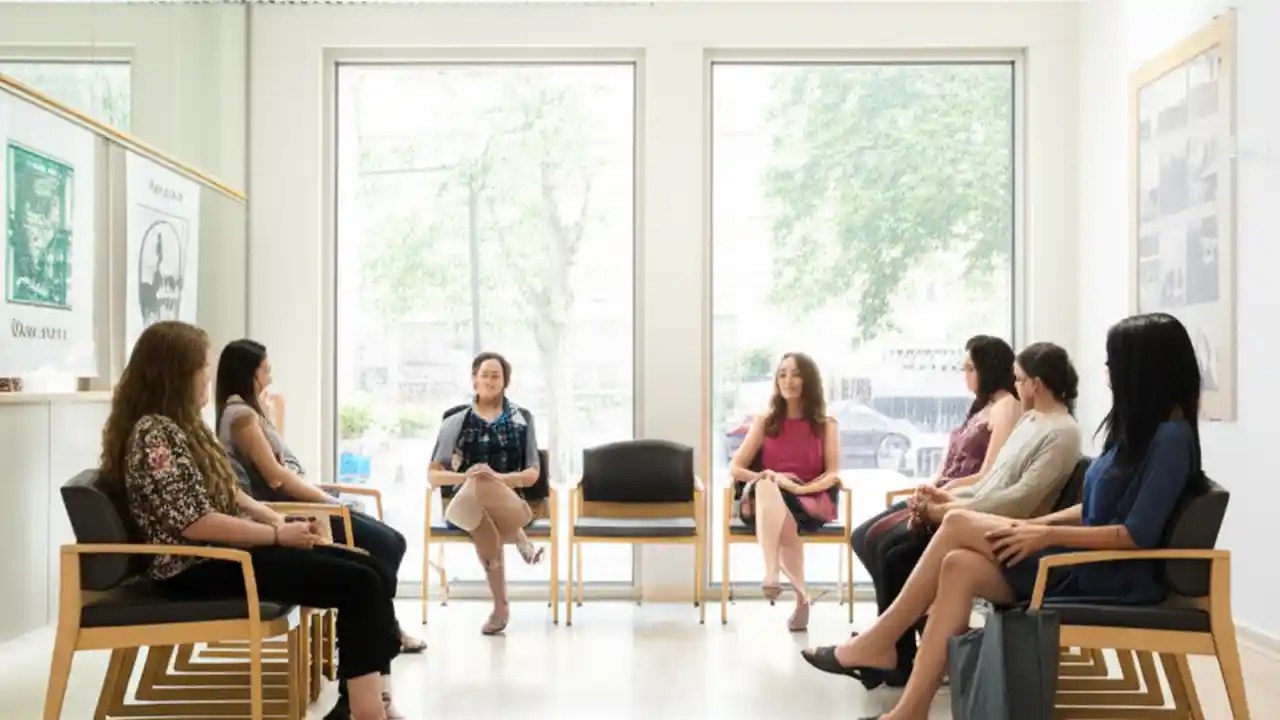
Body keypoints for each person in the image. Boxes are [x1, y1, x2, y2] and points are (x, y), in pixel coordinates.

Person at [801, 313, 1204, 720]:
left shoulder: (1171, 440)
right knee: (958, 564)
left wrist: (1043, 537)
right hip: (1078, 560)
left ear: (1144, 369)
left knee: (956, 524)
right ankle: (908, 711)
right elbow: (1095, 508)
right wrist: (1034, 527)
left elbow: (1135, 534)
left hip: (1105, 575)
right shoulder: (1138, 433)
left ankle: (880, 641)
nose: (1107, 373)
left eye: (1114, 364)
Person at [99, 321, 398, 720]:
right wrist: (277, 535)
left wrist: (275, 519)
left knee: (372, 569)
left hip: (223, 556)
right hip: (196, 568)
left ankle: (367, 701)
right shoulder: (154, 434)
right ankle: (367, 709)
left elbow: (228, 492)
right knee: (361, 582)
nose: (208, 376)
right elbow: (197, 523)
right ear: (175, 373)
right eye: (201, 367)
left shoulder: (183, 425)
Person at [214, 339, 423, 720]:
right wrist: (331, 504)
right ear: (251, 372)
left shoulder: (251, 411)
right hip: (291, 513)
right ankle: (378, 653)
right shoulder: (240, 416)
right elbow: (277, 479)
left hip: (297, 507)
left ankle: (379, 651)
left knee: (389, 546)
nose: (271, 372)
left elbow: (280, 465)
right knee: (384, 549)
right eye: (266, 366)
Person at [849, 335, 1022, 681]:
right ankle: (902, 635)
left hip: (962, 501)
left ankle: (897, 652)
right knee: (862, 536)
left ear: (988, 369)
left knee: (892, 552)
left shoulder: (1006, 406)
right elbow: (947, 466)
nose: (965, 374)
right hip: (943, 493)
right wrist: (929, 485)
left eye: (970, 367)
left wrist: (940, 491)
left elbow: (986, 474)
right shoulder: (979, 407)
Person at [428, 352, 545, 635]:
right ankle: (518, 536)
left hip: (509, 504)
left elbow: (533, 474)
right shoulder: (455, 421)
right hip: (461, 507)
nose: (490, 381)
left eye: (496, 376)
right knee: (478, 480)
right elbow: (433, 475)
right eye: (484, 375)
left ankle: (500, 606)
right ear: (474, 380)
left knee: (487, 522)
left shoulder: (522, 419)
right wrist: (468, 476)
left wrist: (497, 478)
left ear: (505, 382)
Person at [727, 352, 841, 632]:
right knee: (767, 485)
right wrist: (771, 477)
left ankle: (800, 596)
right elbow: (736, 467)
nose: (788, 381)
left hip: (810, 499)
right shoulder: (765, 421)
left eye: (795, 374)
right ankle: (772, 573)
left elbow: (833, 473)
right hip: (766, 501)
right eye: (782, 374)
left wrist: (801, 487)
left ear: (808, 380)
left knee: (785, 520)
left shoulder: (826, 424)